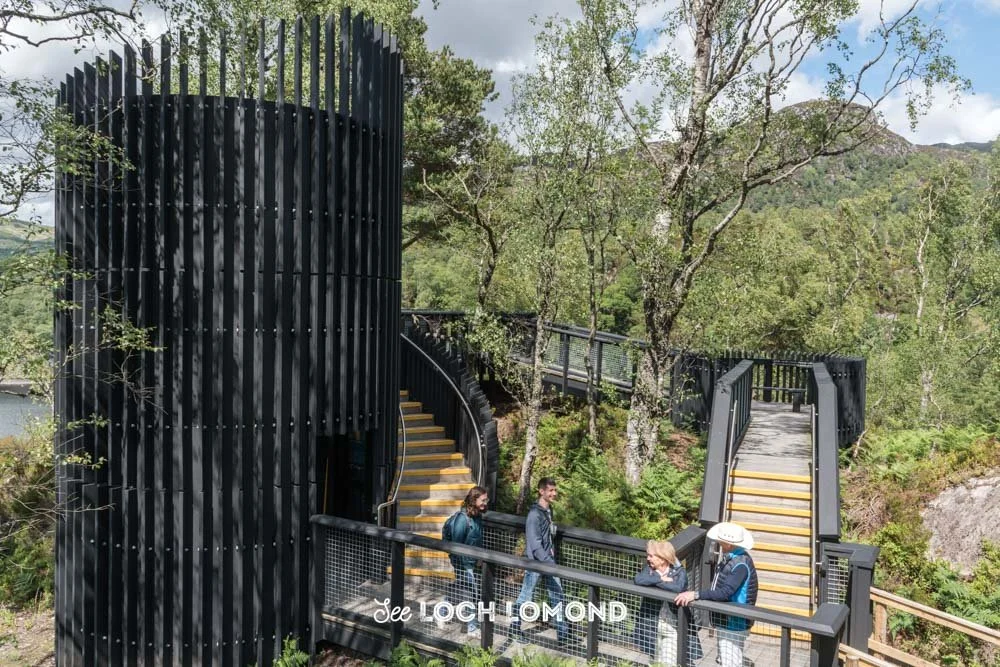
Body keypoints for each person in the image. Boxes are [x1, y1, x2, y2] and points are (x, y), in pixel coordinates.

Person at [675, 522, 758, 667]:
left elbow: (725, 593)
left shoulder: (740, 564)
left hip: (733, 621)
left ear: (728, 544)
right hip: (728, 619)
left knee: (730, 661)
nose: (718, 542)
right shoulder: (735, 558)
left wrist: (696, 594)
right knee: (725, 658)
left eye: (721, 540)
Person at [510, 477, 569, 644]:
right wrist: (549, 563)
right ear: (541, 491)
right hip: (536, 562)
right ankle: (514, 629)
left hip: (547, 560)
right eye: (550, 490)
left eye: (554, 490)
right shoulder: (534, 515)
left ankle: (563, 634)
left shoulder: (548, 511)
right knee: (526, 596)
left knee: (557, 594)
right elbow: (535, 544)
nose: (554, 493)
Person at [438, 486, 489, 637]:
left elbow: (476, 540)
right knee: (471, 593)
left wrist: (478, 557)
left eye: (487, 499)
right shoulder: (462, 520)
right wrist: (460, 566)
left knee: (459, 591)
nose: (486, 503)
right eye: (483, 500)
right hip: (462, 563)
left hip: (471, 562)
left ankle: (441, 612)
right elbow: (455, 545)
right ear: (474, 500)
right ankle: (472, 627)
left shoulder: (478, 516)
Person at [633, 540, 688, 665]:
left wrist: (655, 582)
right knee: (654, 661)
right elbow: (638, 579)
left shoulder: (679, 571)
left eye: (651, 556)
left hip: (672, 626)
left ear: (663, 558)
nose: (648, 558)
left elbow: (679, 588)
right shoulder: (649, 569)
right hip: (652, 624)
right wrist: (661, 579)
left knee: (669, 662)